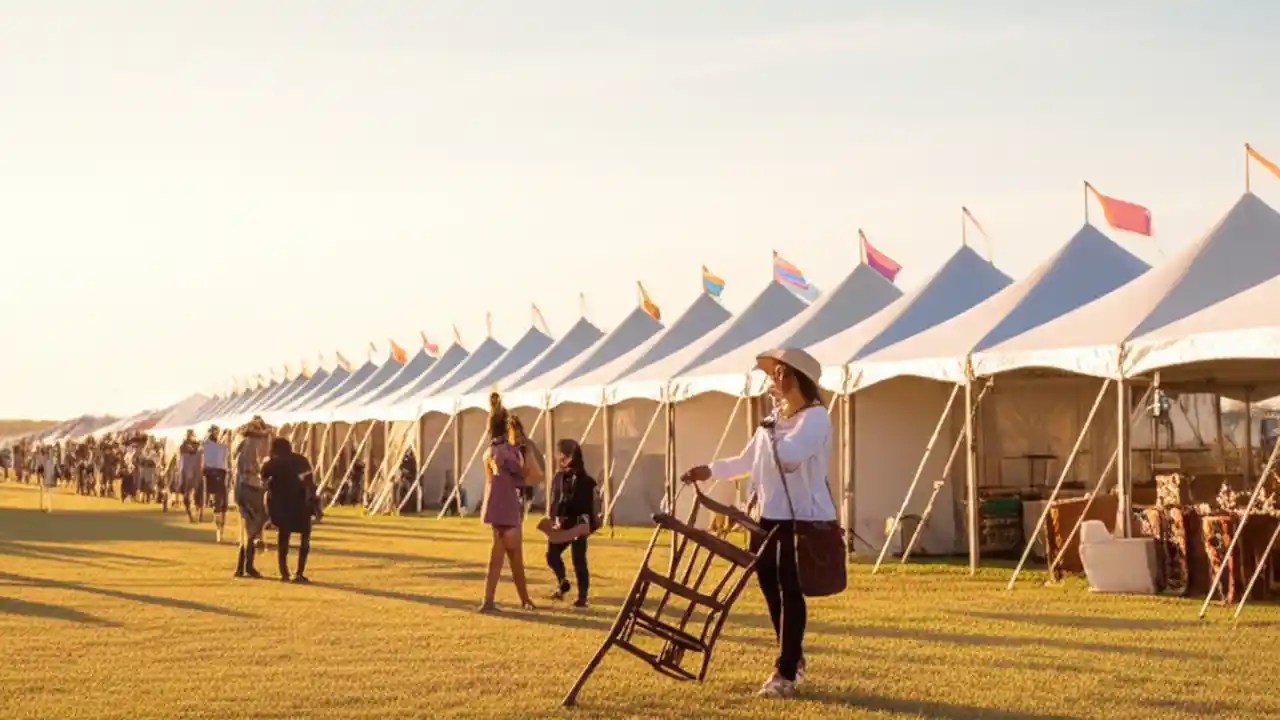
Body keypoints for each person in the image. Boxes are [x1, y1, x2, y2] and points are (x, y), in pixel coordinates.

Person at [681, 347, 834, 700]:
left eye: (779, 375)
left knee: (791, 590)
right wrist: (710, 469)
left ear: (796, 379)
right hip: (767, 516)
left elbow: (792, 458)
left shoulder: (815, 418)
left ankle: (785, 672)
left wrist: (776, 423)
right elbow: (746, 460)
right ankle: (792, 655)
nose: (771, 382)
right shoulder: (772, 422)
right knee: (769, 585)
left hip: (801, 520)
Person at [478, 393, 536, 612]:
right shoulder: (507, 453)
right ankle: (521, 599)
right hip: (509, 510)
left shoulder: (489, 452)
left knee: (499, 557)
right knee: (515, 557)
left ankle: (492, 600)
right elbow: (523, 476)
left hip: (495, 508)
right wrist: (526, 453)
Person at [545, 438, 597, 608]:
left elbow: (586, 506)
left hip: (578, 525)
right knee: (552, 554)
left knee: (579, 560)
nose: (557, 457)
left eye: (560, 454)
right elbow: (554, 501)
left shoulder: (586, 481)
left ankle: (583, 596)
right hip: (563, 525)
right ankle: (562, 581)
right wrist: (553, 519)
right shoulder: (559, 477)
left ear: (568, 456)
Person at [262, 437, 318, 583]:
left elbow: (263, 480)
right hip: (300, 504)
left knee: (284, 537)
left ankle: (284, 572)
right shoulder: (301, 460)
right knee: (305, 537)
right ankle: (299, 572)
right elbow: (310, 482)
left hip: (281, 506)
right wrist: (314, 503)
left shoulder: (272, 464)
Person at [234, 418, 272, 579]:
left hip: (248, 488)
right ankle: (246, 566)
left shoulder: (243, 442)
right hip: (249, 489)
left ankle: (243, 567)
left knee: (248, 529)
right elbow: (253, 468)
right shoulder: (251, 443)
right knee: (251, 528)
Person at [202, 426, 230, 542]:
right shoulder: (207, 444)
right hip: (212, 472)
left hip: (221, 472)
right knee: (218, 502)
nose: (215, 434)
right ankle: (219, 529)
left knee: (223, 503)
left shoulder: (221, 446)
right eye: (213, 432)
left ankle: (220, 528)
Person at [176, 430, 202, 521]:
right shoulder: (183, 447)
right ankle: (190, 514)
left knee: (197, 493)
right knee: (187, 494)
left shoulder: (198, 445)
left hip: (195, 472)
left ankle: (197, 513)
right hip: (186, 472)